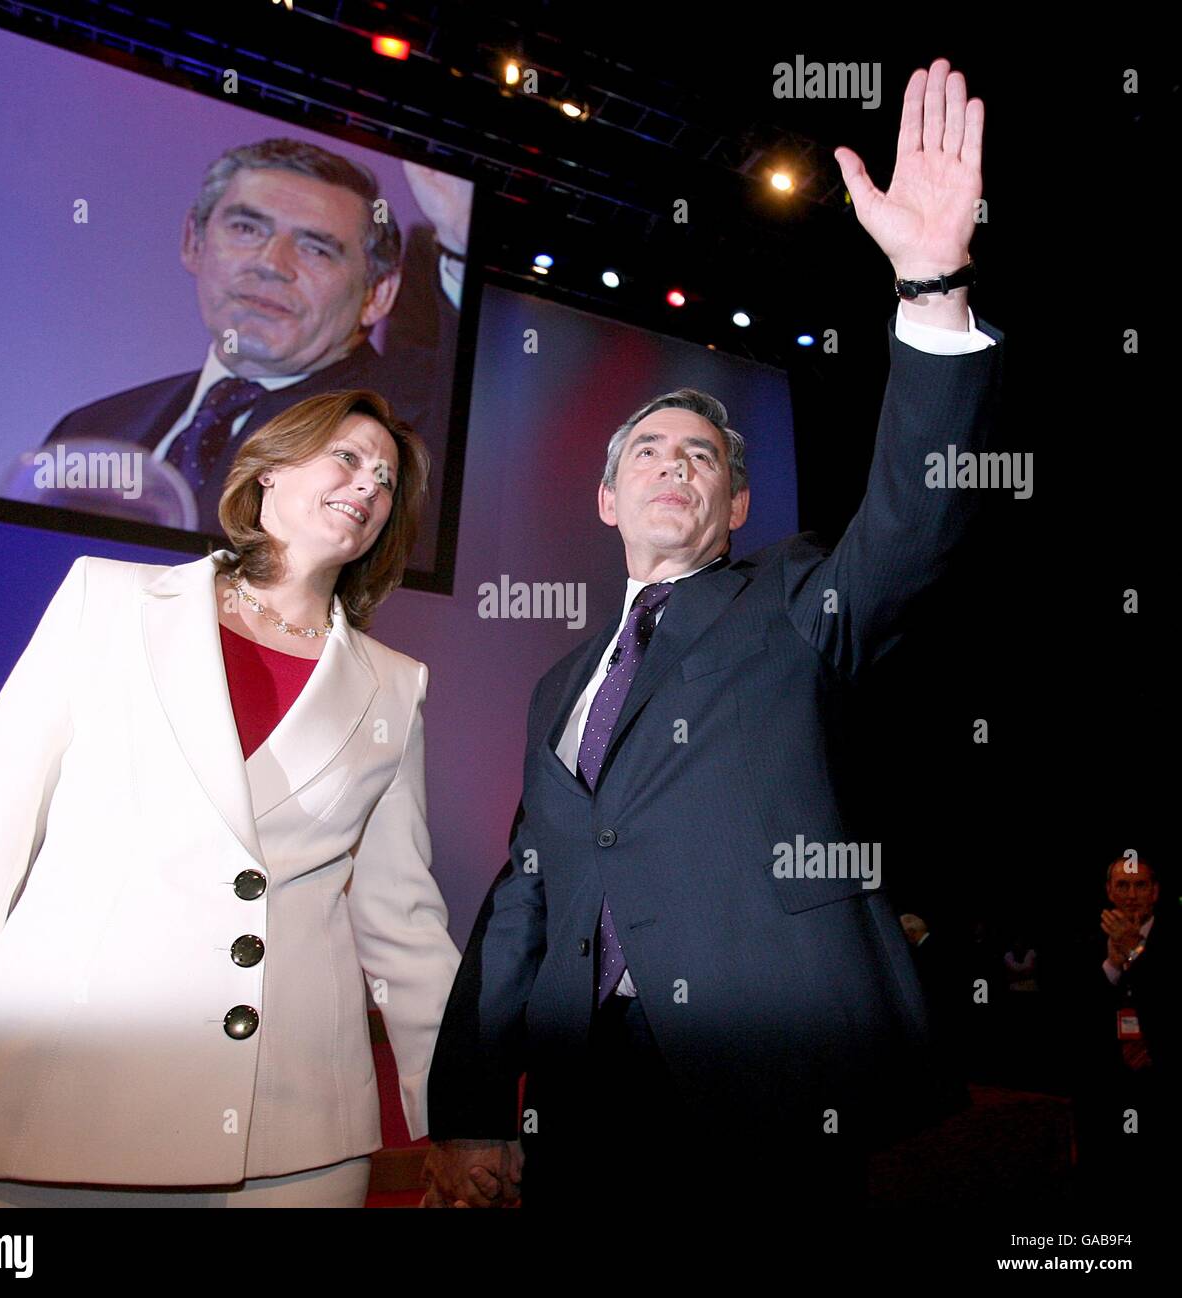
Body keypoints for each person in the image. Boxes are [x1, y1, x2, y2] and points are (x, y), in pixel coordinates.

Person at [422, 58, 1001, 1209]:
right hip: (583, 1095)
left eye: (701, 455)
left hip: (766, 1078)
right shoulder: (559, 688)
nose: (673, 464)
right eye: (647, 449)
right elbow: (523, 896)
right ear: (606, 497)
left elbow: (912, 524)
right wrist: (473, 1102)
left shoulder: (789, 599)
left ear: (736, 503)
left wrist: (932, 287)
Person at [0, 388, 460, 1207]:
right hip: (38, 1111)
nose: (370, 484)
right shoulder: (108, 601)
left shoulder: (396, 686)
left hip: (288, 1141)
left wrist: (463, 1117)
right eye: (347, 456)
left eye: (387, 480)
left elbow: (403, 923)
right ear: (268, 472)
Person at [39, 139, 462, 539]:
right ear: (193, 242)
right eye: (247, 229)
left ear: (378, 293)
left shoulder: (419, 424)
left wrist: (462, 242)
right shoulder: (91, 430)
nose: (271, 264)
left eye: (316, 249)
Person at [1065, 857, 1176, 1196]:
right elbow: (1075, 1014)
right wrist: (1113, 966)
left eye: (1140, 885)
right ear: (1109, 891)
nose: (1131, 895)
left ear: (1155, 892)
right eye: (1122, 886)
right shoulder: (1083, 940)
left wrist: (1136, 950)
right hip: (1103, 1086)